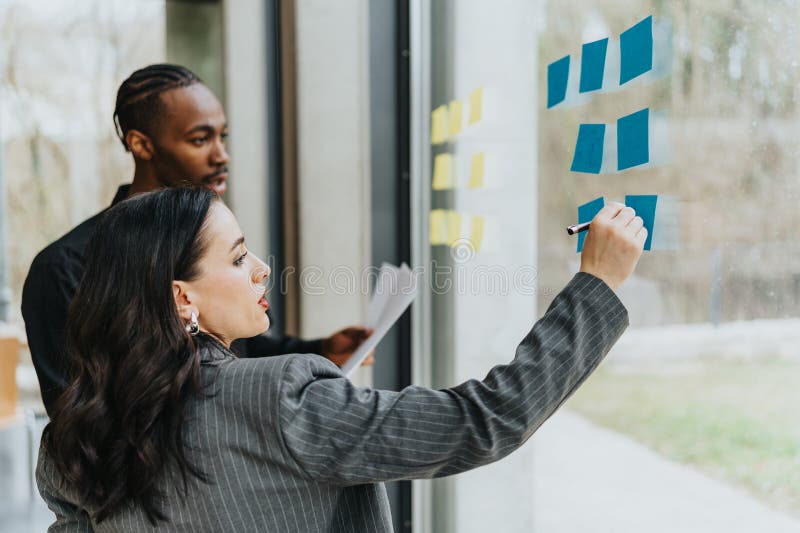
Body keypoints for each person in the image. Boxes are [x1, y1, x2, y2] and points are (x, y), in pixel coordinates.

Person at [36, 187, 646, 532]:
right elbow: (484, 419)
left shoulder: (74, 434)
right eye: (238, 257)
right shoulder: (280, 398)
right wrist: (596, 284)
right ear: (181, 297)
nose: (262, 269)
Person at [21, 64, 371, 416]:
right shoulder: (65, 268)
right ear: (141, 144)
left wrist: (320, 350)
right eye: (200, 140)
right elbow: (77, 416)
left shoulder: (215, 236)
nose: (221, 155)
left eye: (222, 137)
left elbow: (242, 351)